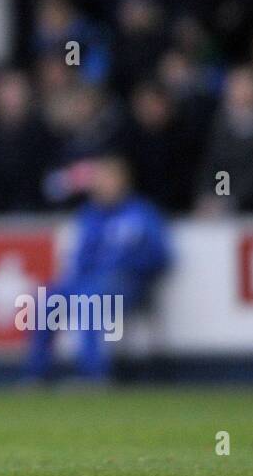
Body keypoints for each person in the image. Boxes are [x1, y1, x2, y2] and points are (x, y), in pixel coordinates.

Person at [24, 152, 171, 382]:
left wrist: (130, 268)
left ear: (122, 181)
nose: (103, 185)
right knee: (46, 301)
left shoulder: (141, 213)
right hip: (89, 281)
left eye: (108, 179)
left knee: (89, 301)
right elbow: (82, 258)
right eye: (100, 180)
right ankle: (37, 374)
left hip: (127, 283)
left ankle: (94, 374)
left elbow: (159, 255)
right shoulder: (91, 215)